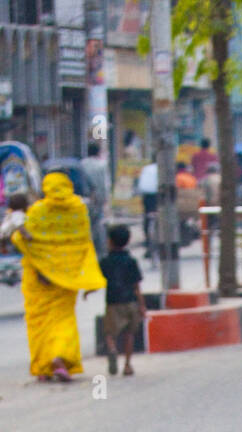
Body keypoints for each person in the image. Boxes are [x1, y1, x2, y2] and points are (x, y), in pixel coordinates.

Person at [11, 171, 106, 382]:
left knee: (39, 320)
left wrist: (17, 235)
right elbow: (84, 242)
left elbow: (22, 239)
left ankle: (43, 366)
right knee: (63, 318)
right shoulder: (79, 209)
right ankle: (59, 358)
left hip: (38, 276)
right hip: (67, 276)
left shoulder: (38, 210)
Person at [99, 224, 145, 377]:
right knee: (129, 334)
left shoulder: (105, 262)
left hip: (113, 302)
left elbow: (97, 280)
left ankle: (112, 349)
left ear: (110, 241)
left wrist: (88, 291)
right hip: (131, 301)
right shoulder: (131, 261)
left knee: (110, 333)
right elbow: (137, 286)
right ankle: (127, 365)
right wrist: (142, 306)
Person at [81, 140, 109, 257]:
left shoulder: (81, 164)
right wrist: (104, 200)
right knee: (97, 226)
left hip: (84, 199)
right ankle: (98, 252)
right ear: (98, 152)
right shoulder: (101, 165)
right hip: (97, 200)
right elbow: (103, 184)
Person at [136, 159, 158, 252]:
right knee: (159, 217)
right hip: (157, 196)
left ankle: (147, 239)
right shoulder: (162, 168)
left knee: (147, 217)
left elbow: (141, 185)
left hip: (147, 196)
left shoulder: (146, 168)